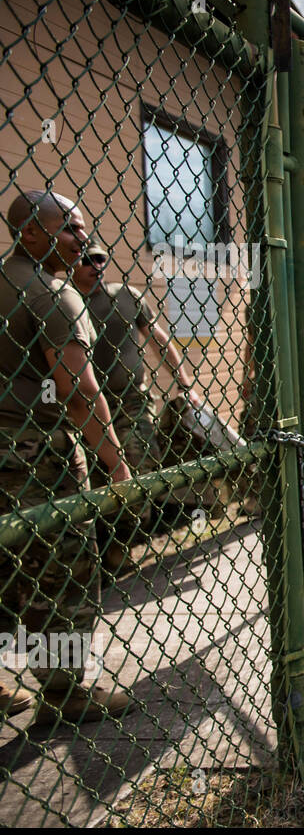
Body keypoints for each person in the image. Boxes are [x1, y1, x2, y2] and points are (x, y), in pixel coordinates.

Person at [0, 190, 134, 724]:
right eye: (70, 229)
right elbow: (78, 394)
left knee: (6, 572)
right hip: (39, 456)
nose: (82, 239)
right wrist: (118, 465)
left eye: (82, 229)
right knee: (62, 576)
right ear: (29, 233)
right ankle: (65, 694)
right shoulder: (52, 294)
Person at [70, 241, 198, 573]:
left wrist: (184, 383)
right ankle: (96, 555)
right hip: (81, 408)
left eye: (100, 258)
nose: (95, 265)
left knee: (139, 470)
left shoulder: (125, 296)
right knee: (92, 479)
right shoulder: (63, 301)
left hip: (130, 402)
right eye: (87, 260)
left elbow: (158, 340)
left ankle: (120, 547)